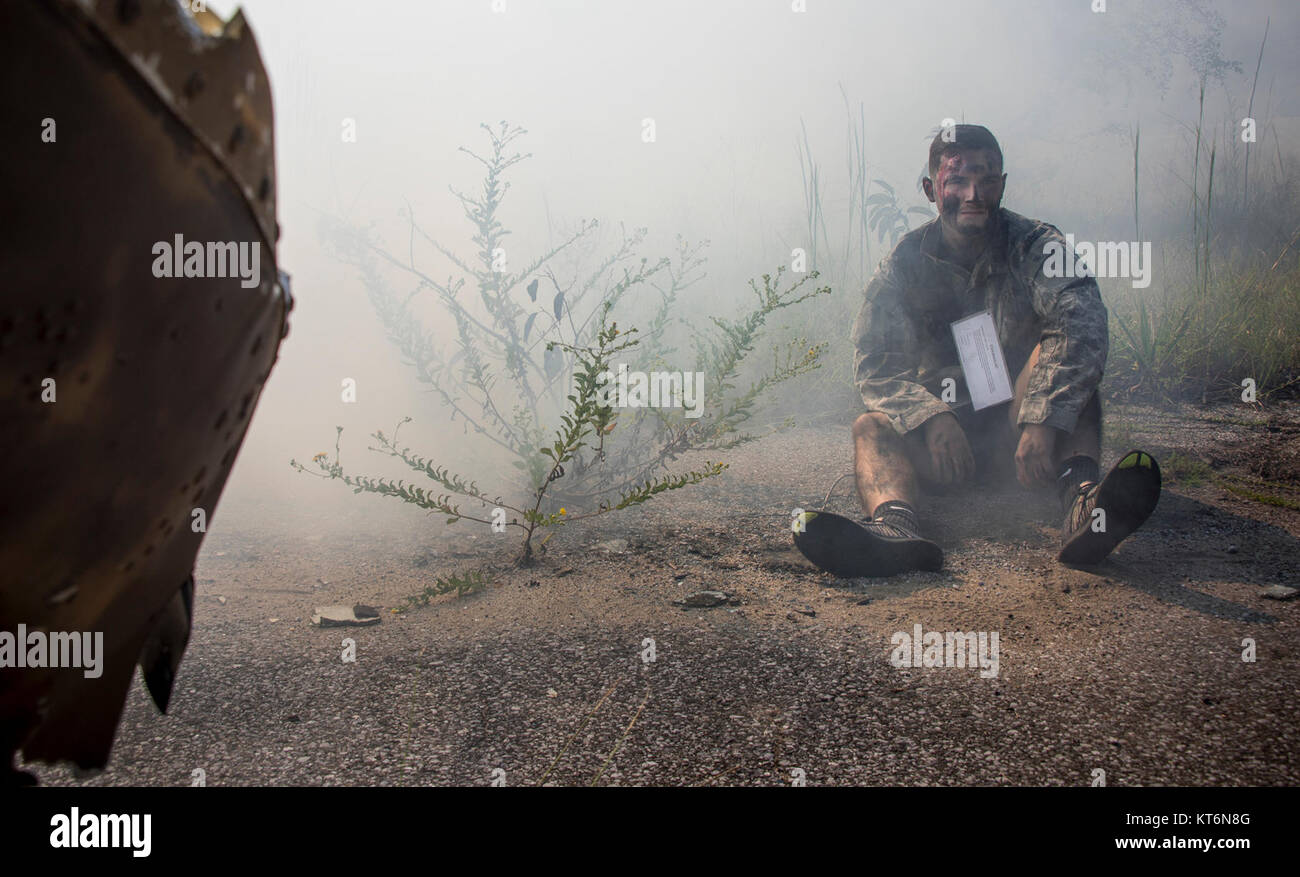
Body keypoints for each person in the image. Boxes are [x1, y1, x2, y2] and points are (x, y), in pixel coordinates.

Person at [794, 124, 1160, 577]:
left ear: (1002, 185)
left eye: (987, 181)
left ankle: (1083, 504)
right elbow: (875, 363)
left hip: (1024, 433)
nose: (974, 194)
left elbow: (1081, 325)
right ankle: (894, 529)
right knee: (869, 427)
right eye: (958, 181)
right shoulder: (904, 264)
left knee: (1065, 362)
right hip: (945, 448)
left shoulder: (1036, 245)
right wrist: (931, 416)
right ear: (931, 189)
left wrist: (1043, 419)